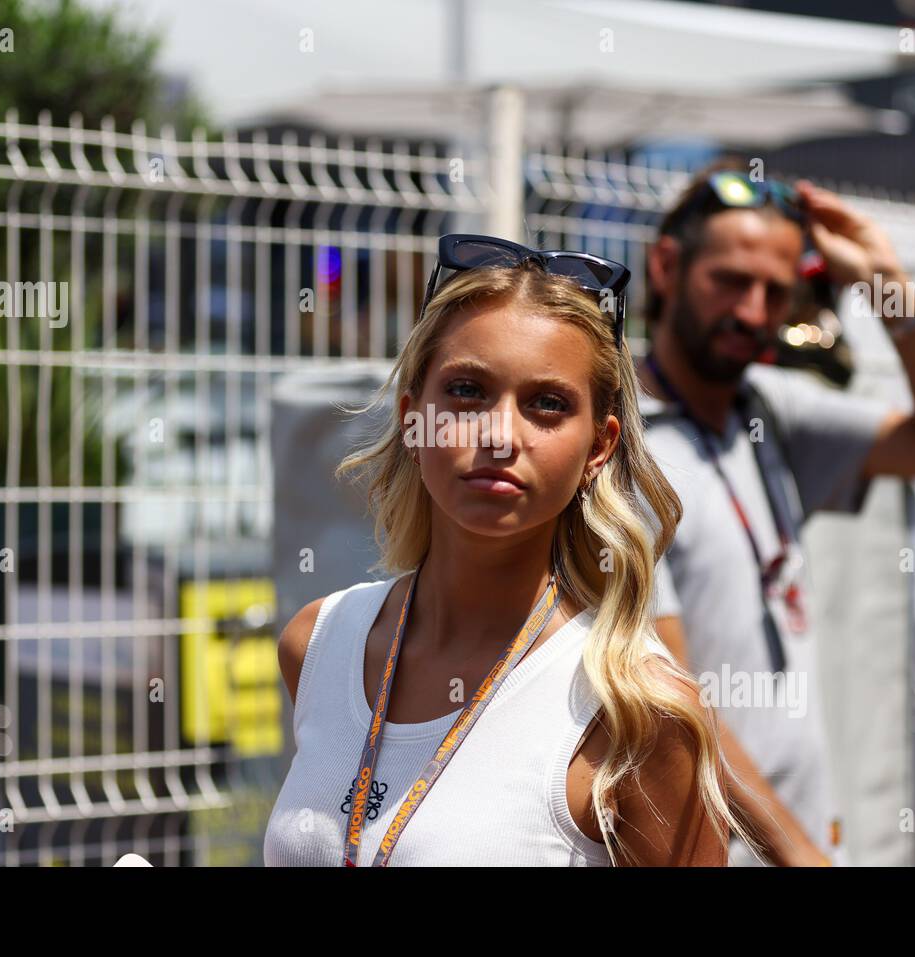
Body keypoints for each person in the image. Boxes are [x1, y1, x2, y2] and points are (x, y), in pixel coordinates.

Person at [263, 233, 748, 866]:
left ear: (598, 448)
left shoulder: (637, 709)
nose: (499, 435)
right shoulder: (318, 644)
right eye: (467, 390)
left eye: (547, 405)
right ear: (413, 418)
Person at [639, 164, 915, 866]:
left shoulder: (770, 408)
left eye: (776, 291)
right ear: (666, 266)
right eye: (731, 280)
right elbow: (671, 699)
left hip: (803, 837)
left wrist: (884, 284)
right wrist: (798, 854)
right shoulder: (620, 442)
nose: (752, 311)